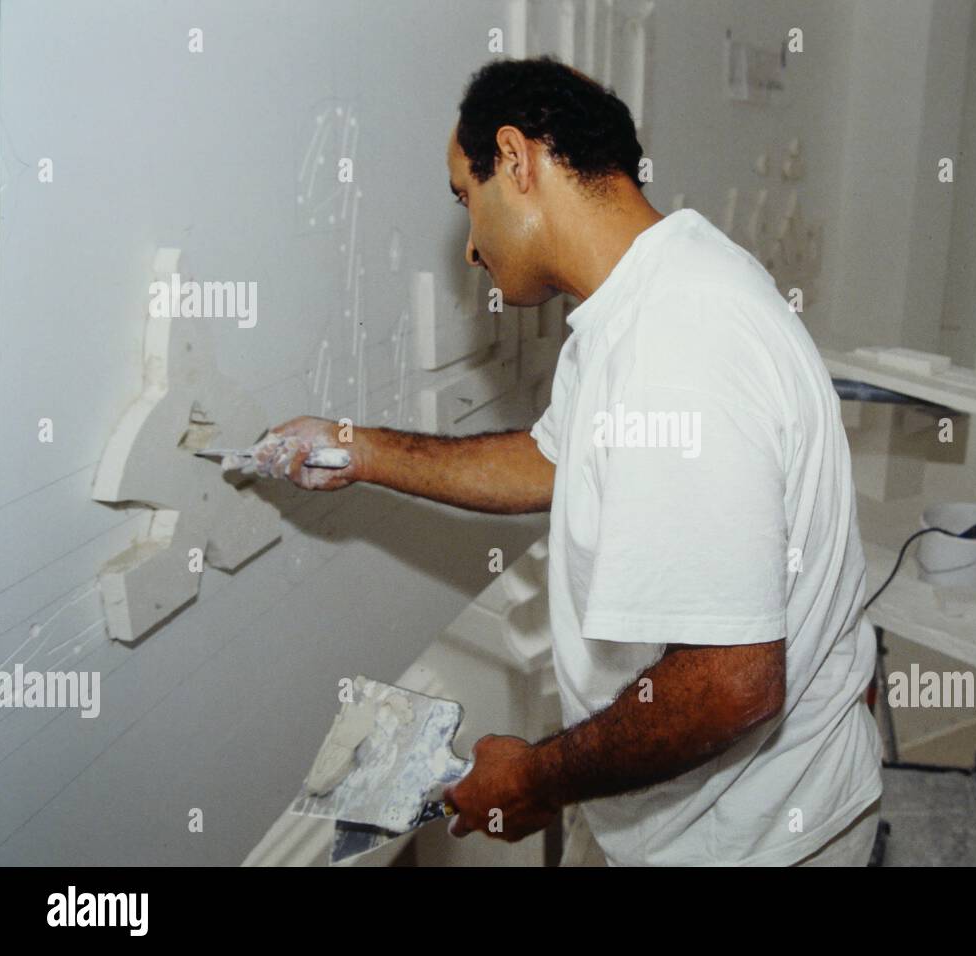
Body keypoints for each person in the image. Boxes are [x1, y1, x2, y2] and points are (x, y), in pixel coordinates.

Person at [257, 55, 883, 866]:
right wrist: (359, 449)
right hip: (690, 819)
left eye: (464, 197)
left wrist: (535, 780)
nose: (472, 247)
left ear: (515, 160)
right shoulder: (647, 298)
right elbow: (552, 462)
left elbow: (733, 685)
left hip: (760, 843)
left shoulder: (679, 345)